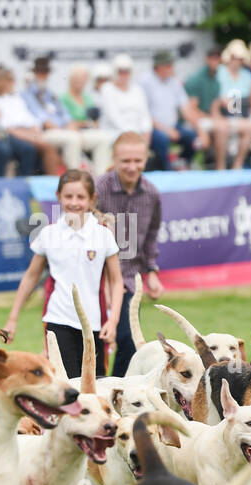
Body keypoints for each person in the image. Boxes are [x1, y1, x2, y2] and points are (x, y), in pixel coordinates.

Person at [3, 169, 123, 380]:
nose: (74, 202)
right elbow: (31, 277)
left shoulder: (103, 234)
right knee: (66, 383)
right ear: (58, 197)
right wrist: (13, 318)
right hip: (58, 320)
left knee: (95, 384)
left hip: (93, 323)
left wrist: (113, 321)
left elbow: (116, 280)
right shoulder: (49, 234)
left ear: (91, 199)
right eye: (68, 196)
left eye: (80, 197)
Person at [94, 131, 162, 376]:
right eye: (125, 161)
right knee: (96, 340)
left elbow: (151, 236)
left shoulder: (152, 194)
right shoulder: (97, 189)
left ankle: (119, 390)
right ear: (114, 158)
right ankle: (94, 392)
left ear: (145, 160)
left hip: (131, 280)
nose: (132, 167)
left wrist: (152, 271)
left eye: (137, 161)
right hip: (97, 280)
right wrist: (104, 285)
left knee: (128, 340)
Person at [184, 46, 249, 170]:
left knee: (242, 126)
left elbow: (214, 106)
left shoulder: (216, 79)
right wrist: (207, 123)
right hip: (195, 121)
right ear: (207, 59)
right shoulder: (196, 79)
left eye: (218, 58)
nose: (215, 61)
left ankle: (235, 167)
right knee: (222, 127)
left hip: (210, 119)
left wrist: (217, 117)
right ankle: (221, 169)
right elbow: (190, 110)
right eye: (212, 58)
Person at [21, 56, 84, 174]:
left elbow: (65, 114)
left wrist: (71, 125)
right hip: (43, 133)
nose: (43, 75)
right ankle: (75, 179)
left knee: (100, 140)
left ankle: (101, 183)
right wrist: (66, 129)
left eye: (45, 72)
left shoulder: (51, 94)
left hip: (62, 131)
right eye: (40, 72)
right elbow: (43, 121)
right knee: (73, 139)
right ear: (34, 73)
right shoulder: (27, 94)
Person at [141, 51, 199, 170]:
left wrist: (200, 130)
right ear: (159, 67)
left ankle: (181, 164)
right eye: (169, 65)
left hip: (173, 125)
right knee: (162, 140)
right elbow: (143, 113)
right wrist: (167, 130)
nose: (172, 68)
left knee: (192, 136)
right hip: (152, 128)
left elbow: (185, 109)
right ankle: (167, 171)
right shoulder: (145, 82)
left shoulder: (174, 82)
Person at [0, 67, 45, 176]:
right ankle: (24, 180)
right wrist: (27, 136)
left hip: (26, 132)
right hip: (9, 135)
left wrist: (34, 130)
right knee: (28, 149)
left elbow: (29, 118)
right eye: (10, 79)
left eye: (13, 80)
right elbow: (5, 126)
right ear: (1, 81)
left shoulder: (17, 98)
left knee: (42, 146)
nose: (13, 83)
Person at [61, 63, 113, 173]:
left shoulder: (87, 98)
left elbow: (95, 120)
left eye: (83, 80)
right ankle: (75, 176)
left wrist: (86, 123)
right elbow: (68, 122)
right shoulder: (63, 98)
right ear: (71, 80)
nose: (80, 83)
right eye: (77, 80)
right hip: (73, 133)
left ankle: (102, 176)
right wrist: (85, 123)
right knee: (75, 141)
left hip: (88, 132)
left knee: (104, 139)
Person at [99, 55, 153, 158]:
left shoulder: (138, 90)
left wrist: (147, 132)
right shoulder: (107, 89)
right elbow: (114, 117)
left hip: (138, 134)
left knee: (160, 139)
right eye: (120, 71)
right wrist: (133, 135)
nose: (124, 75)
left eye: (126, 71)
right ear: (114, 72)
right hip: (114, 133)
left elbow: (145, 115)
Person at [217, 39, 251, 169]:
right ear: (229, 57)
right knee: (223, 128)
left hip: (242, 116)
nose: (237, 61)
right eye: (235, 57)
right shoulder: (220, 72)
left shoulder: (247, 75)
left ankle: (237, 165)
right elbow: (220, 99)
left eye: (240, 58)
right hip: (223, 116)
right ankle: (221, 167)